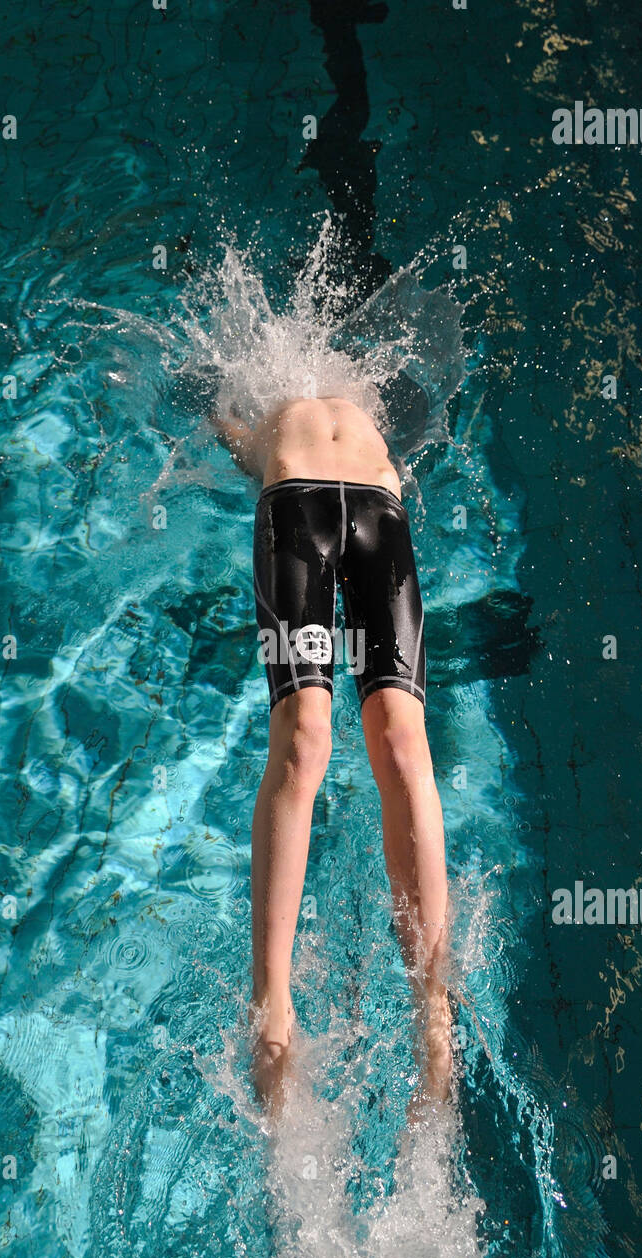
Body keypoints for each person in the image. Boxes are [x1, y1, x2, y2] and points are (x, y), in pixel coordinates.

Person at [212, 396, 452, 1114]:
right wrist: (240, 435)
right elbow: (229, 434)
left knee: (404, 742)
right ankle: (273, 1008)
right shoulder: (255, 386)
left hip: (383, 509)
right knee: (307, 733)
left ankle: (434, 1013)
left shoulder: (374, 385)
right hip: (293, 507)